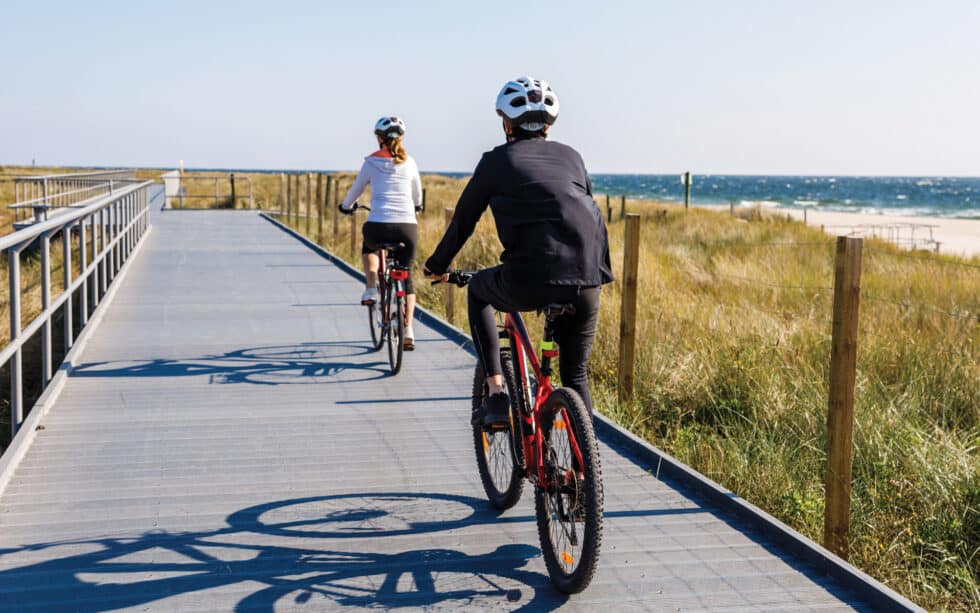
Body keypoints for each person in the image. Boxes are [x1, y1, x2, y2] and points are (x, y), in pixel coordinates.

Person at [424, 77, 613, 426]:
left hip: (529, 279)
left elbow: (464, 221)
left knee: (479, 290)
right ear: (547, 125)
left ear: (506, 124)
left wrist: (437, 264)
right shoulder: (572, 157)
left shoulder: (495, 161)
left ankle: (496, 393)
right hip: (588, 277)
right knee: (575, 374)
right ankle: (585, 458)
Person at [339, 116, 423, 350]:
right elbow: (417, 195)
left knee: (369, 247)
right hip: (407, 228)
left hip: (378, 226)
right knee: (407, 278)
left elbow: (355, 192)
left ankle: (371, 288)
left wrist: (345, 206)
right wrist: (416, 207)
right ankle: (408, 329)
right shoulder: (410, 162)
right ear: (401, 138)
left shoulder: (371, 162)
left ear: (379, 138)